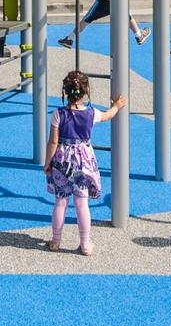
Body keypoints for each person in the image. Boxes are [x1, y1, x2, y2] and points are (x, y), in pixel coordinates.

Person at [44, 70, 126, 256]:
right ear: (86, 91)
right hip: (83, 161)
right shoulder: (92, 113)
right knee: (82, 204)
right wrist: (118, 106)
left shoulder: (58, 114)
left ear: (65, 91)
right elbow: (108, 115)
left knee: (60, 203)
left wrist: (48, 162)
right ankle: (85, 243)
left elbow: (53, 142)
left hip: (62, 161)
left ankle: (56, 241)